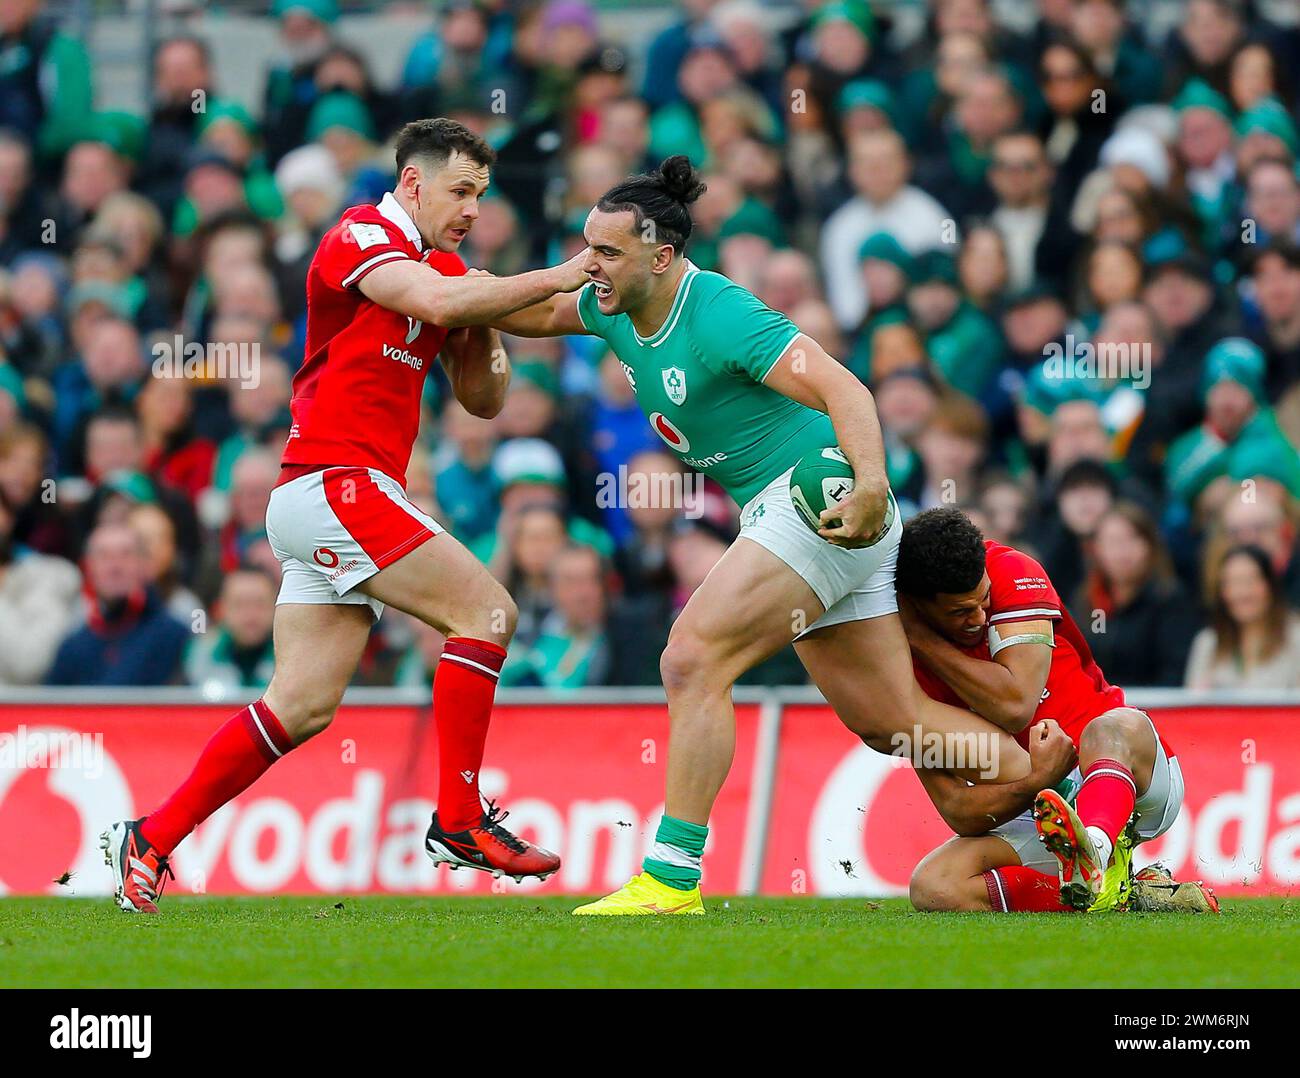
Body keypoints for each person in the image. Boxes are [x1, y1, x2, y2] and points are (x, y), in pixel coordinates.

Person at [494, 156, 1030, 916]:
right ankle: (1062, 786)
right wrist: (450, 300)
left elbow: (845, 386)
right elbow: (528, 313)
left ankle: (672, 877)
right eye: (587, 246)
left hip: (821, 494)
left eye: (607, 251)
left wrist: (874, 483)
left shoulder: (717, 311)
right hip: (794, 514)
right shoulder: (611, 305)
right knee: (896, 726)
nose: (591, 265)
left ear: (664, 256)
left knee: (690, 658)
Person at [100, 117, 591, 914]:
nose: (471, 208)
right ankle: (461, 820)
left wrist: (484, 327)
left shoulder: (451, 270)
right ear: (412, 184)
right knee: (487, 612)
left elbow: (484, 401)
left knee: (301, 706)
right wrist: (556, 274)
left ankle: (148, 841)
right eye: (460, 190)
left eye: (482, 195)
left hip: (330, 502)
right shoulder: (359, 234)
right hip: (335, 482)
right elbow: (429, 296)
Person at [897, 508, 1202, 914]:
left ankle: (1092, 847)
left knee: (1112, 726)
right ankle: (1117, 896)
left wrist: (922, 641)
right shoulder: (903, 676)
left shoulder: (1013, 571)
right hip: (1041, 810)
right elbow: (957, 810)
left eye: (984, 598)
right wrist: (1036, 781)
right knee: (933, 887)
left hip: (1127, 778)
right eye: (959, 612)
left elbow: (1017, 705)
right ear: (918, 605)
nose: (980, 616)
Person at [1185, 544, 1300, 691]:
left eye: (1251, 580)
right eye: (1232, 583)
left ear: (1270, 585)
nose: (1242, 592)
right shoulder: (1208, 643)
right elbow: (1191, 705)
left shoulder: (1295, 639)